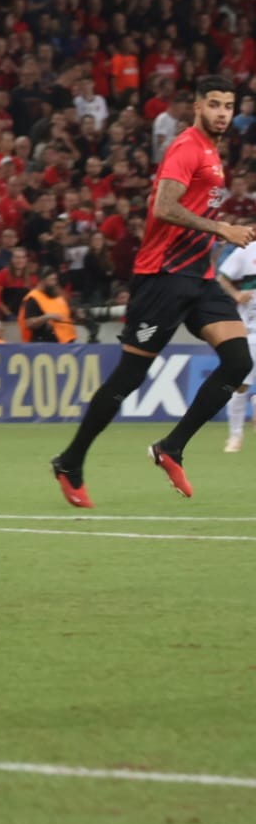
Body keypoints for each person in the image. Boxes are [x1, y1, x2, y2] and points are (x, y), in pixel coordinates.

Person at [53, 76, 255, 506]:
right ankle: (70, 461)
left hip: (199, 278)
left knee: (238, 361)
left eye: (228, 106)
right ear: (198, 106)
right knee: (127, 380)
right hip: (162, 277)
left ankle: (171, 448)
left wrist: (220, 236)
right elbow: (163, 207)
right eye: (214, 104)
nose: (222, 112)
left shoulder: (213, 153)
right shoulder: (186, 147)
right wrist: (221, 227)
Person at [215, 233, 256, 452]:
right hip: (249, 330)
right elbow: (221, 277)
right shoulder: (246, 251)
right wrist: (237, 294)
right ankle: (235, 436)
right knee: (241, 386)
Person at [18, 267, 76, 343]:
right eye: (51, 280)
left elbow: (65, 316)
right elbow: (29, 323)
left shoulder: (57, 296)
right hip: (45, 345)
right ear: (42, 281)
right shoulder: (33, 298)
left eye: (55, 280)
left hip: (66, 342)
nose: (54, 283)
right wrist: (48, 317)